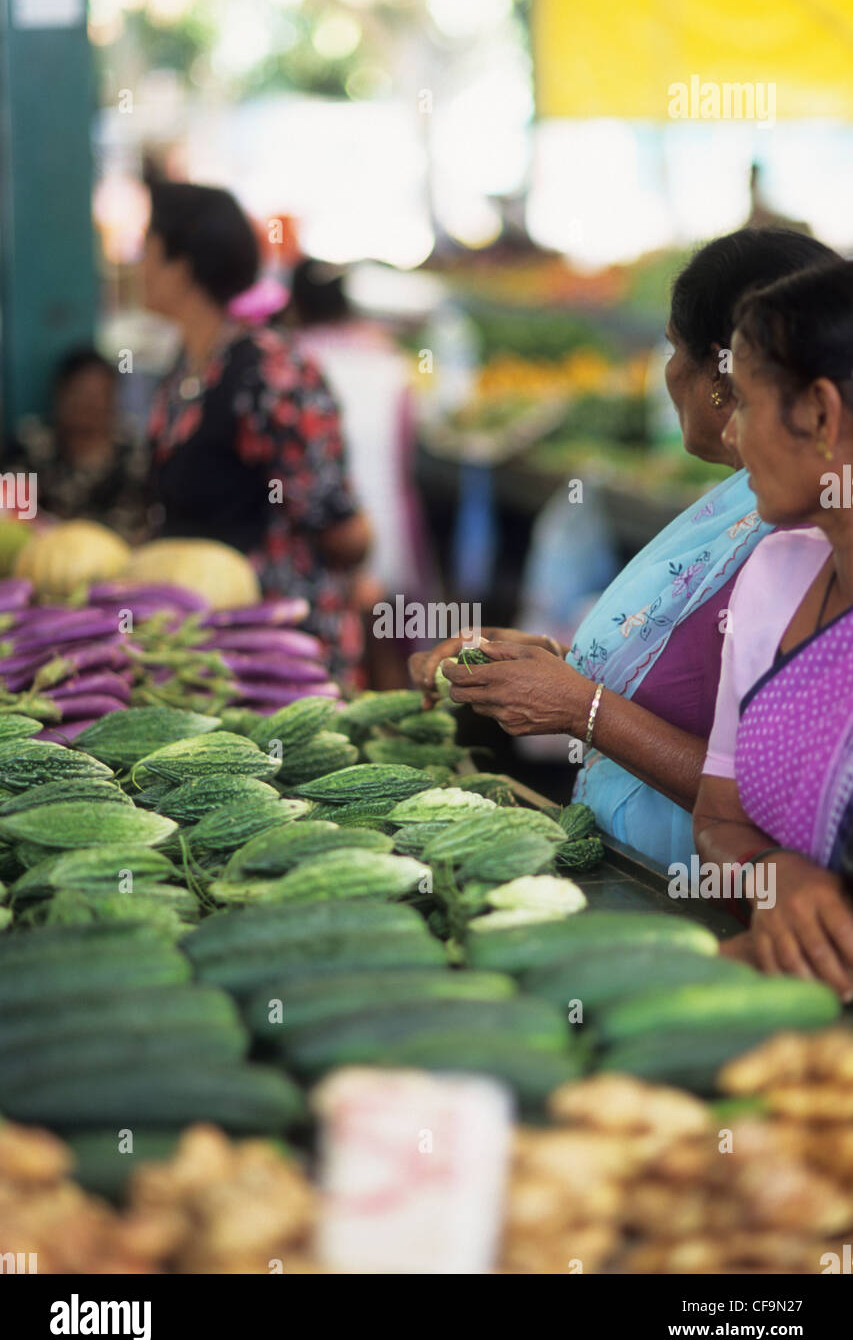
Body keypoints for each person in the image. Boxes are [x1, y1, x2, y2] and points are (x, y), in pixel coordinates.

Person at [409, 229, 838, 867]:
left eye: (671, 347)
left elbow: (765, 799)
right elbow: (722, 756)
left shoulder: (803, 538)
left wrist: (581, 706)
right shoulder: (759, 515)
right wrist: (552, 665)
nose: (734, 429)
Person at [693, 258, 853, 1000]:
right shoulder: (773, 576)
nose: (729, 432)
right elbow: (717, 819)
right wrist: (768, 871)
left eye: (747, 403)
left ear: (819, 415)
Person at [142, 183, 371, 679]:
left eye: (148, 248)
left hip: (278, 652)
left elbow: (337, 523)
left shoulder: (273, 371)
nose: (138, 264)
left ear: (181, 267)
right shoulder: (187, 362)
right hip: (201, 648)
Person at [288, 257, 434, 687]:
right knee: (387, 649)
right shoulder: (390, 362)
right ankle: (407, 739)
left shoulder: (289, 360)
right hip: (387, 525)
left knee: (321, 663)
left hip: (318, 533)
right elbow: (405, 452)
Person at [19, 347, 147, 540]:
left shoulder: (132, 455)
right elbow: (12, 514)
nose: (88, 405)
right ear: (60, 393)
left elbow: (138, 525)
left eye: (98, 396)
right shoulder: (31, 445)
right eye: (80, 393)